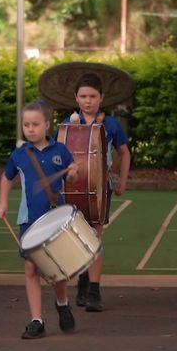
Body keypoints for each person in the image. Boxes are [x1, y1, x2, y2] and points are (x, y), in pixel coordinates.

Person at [0, 101, 79, 340]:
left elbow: (71, 178)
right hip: (29, 218)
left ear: (47, 125)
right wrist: (3, 202)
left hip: (55, 217)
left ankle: (62, 303)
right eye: (26, 125)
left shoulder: (60, 151)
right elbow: (6, 178)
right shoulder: (19, 155)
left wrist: (72, 173)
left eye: (35, 124)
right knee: (31, 267)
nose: (30, 129)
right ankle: (36, 320)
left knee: (55, 268)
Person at [63, 73, 131, 312]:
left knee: (95, 234)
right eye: (83, 96)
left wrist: (121, 180)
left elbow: (124, 153)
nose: (88, 101)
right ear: (76, 98)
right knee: (78, 235)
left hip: (101, 187)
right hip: (73, 188)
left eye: (92, 96)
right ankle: (82, 278)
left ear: (101, 97)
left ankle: (94, 289)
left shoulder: (110, 124)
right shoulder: (69, 122)